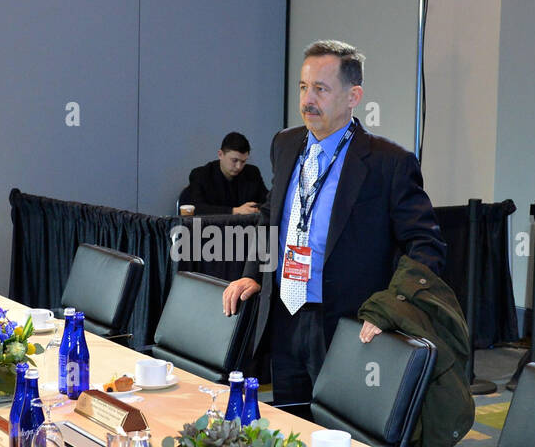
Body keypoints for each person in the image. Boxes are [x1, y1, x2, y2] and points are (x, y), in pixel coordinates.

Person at [222, 40, 445, 404]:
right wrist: (252, 271)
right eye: (303, 87)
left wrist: (393, 305)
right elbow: (270, 215)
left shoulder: (389, 163)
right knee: (292, 426)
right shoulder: (286, 143)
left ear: (354, 96)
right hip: (285, 312)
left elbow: (427, 245)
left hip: (349, 325)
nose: (308, 100)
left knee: (342, 434)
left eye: (321, 89)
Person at [179, 131, 269, 215]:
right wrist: (234, 211)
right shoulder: (201, 175)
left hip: (245, 230)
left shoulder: (252, 173)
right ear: (220, 155)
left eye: (243, 161)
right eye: (234, 160)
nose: (239, 166)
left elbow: (268, 202)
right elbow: (197, 208)